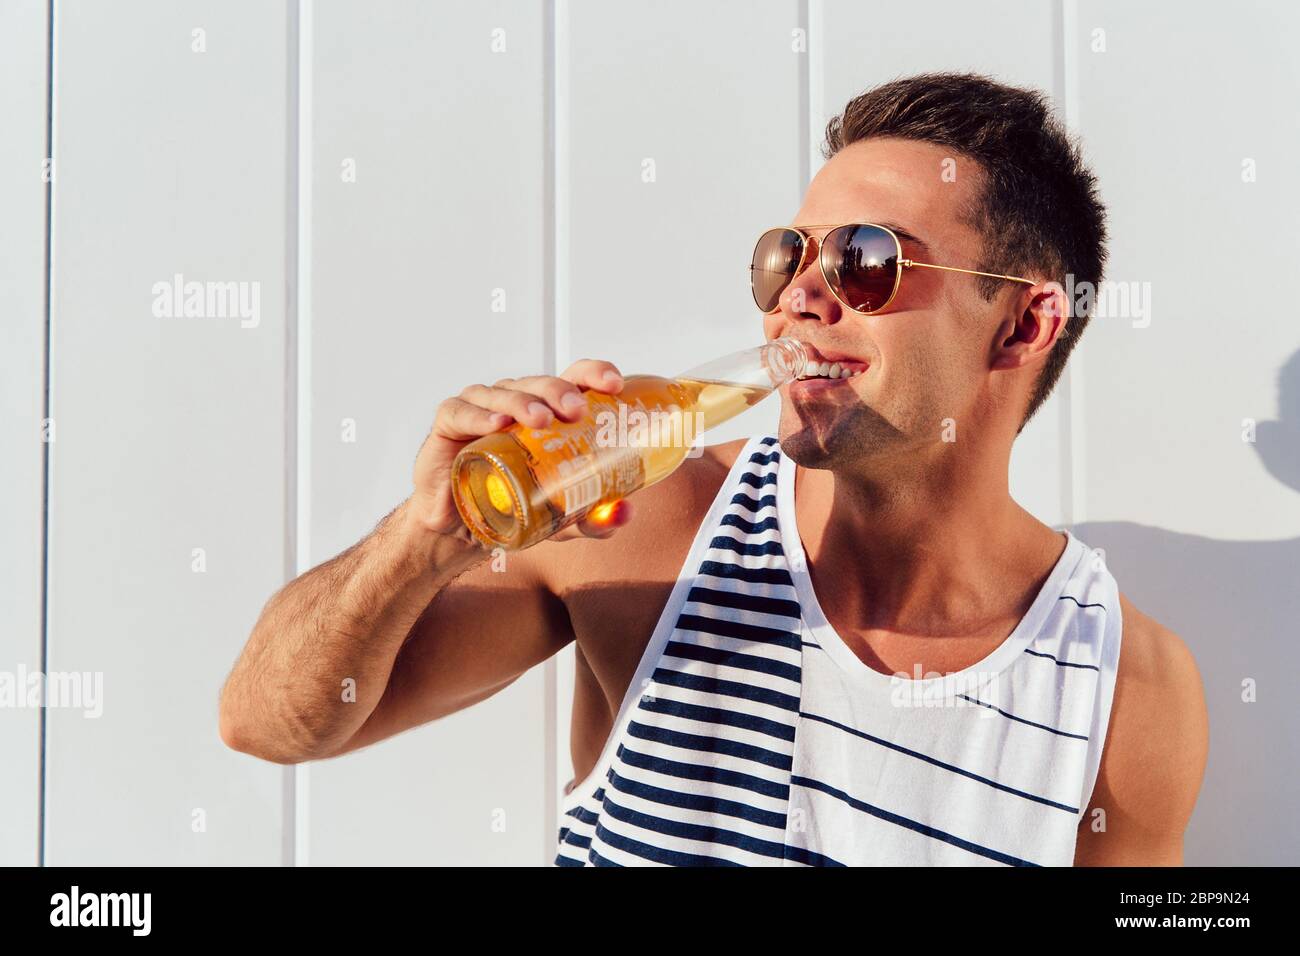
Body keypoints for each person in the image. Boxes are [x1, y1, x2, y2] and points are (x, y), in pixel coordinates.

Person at [220, 72, 1208, 866]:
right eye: (787, 257)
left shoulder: (1123, 689)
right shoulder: (650, 523)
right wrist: (422, 542)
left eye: (868, 260)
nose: (800, 296)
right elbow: (270, 722)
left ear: (1021, 322)